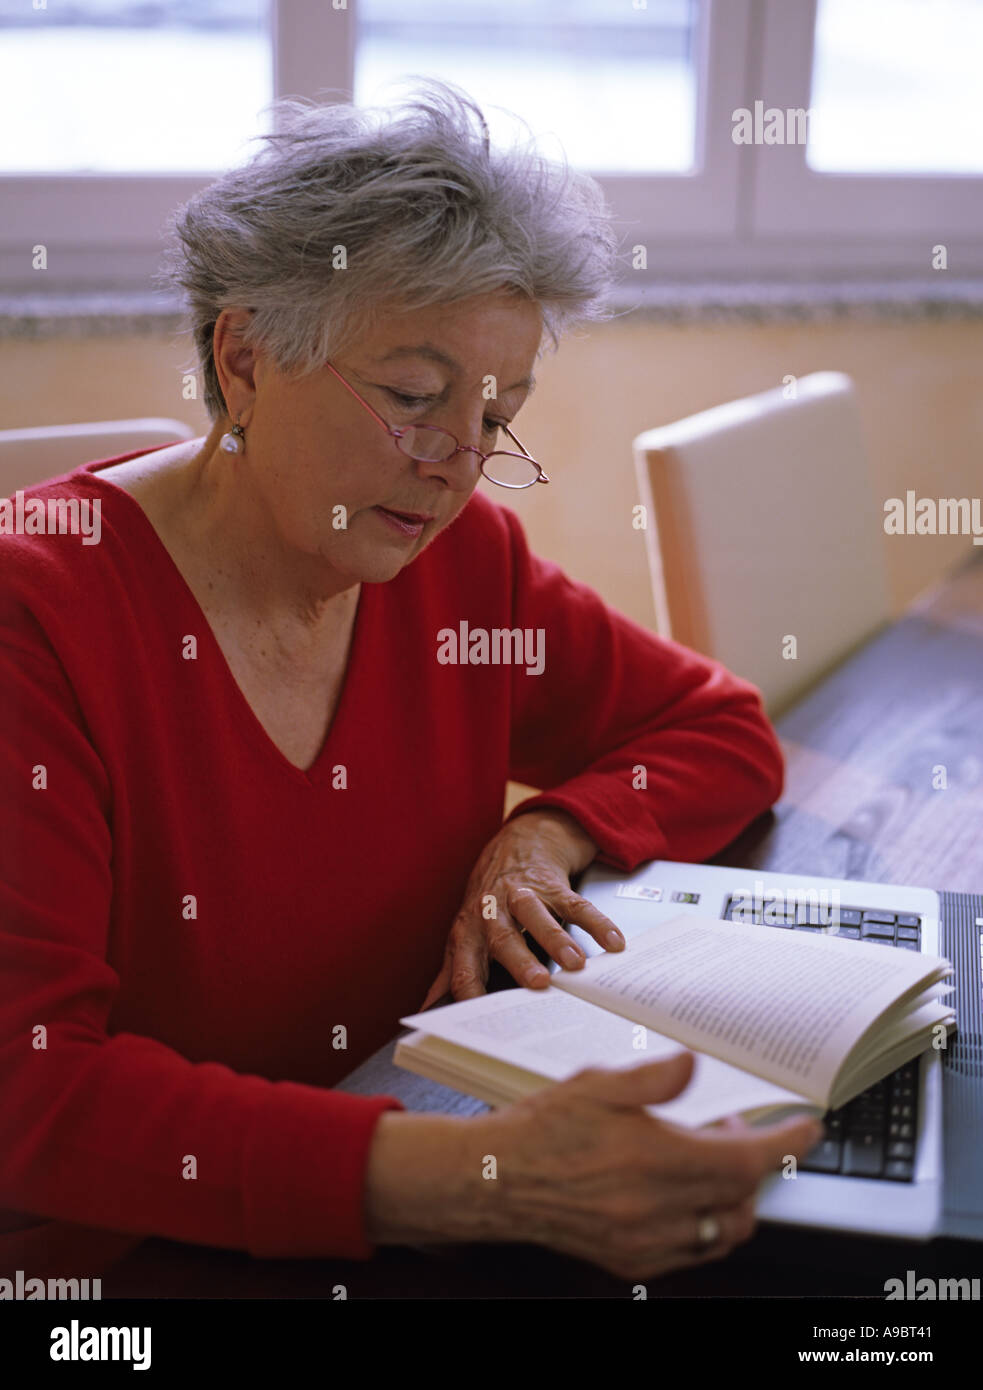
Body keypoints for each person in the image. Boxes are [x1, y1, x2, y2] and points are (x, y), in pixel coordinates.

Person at [0, 80, 821, 1287]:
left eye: (496, 415)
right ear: (245, 357)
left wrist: (543, 835)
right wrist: (491, 1184)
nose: (455, 465)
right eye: (411, 398)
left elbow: (709, 724)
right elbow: (35, 1094)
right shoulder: (38, 615)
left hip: (412, 1175)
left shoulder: (454, 566)